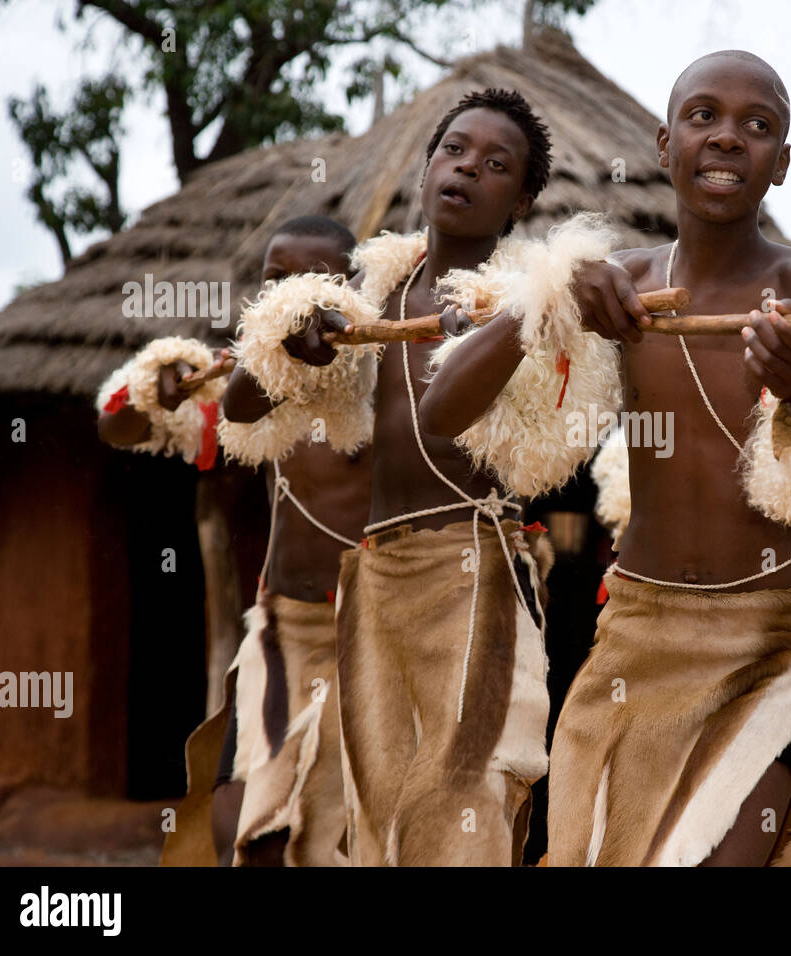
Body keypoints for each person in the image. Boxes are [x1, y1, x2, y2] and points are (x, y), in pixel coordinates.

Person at [420, 51, 791, 866]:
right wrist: (549, 297)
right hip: (635, 637)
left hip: (764, 643)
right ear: (663, 142)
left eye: (759, 126)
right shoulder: (625, 286)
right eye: (703, 116)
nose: (727, 138)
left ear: (782, 165)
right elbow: (444, 414)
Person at [239, 89, 557, 865]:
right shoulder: (374, 292)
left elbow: (460, 416)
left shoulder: (532, 300)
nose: (465, 169)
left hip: (475, 573)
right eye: (453, 150)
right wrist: (295, 342)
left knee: (466, 801)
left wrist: (504, 323)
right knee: (380, 815)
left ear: (519, 200)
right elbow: (245, 404)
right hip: (374, 580)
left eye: (494, 164)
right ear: (424, 170)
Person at [157, 215, 369, 866]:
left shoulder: (380, 377)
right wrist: (164, 387)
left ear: (350, 289)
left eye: (315, 279)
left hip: (364, 635)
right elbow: (125, 424)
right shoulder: (253, 374)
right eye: (277, 279)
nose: (294, 293)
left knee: (338, 829)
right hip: (279, 628)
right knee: (242, 820)